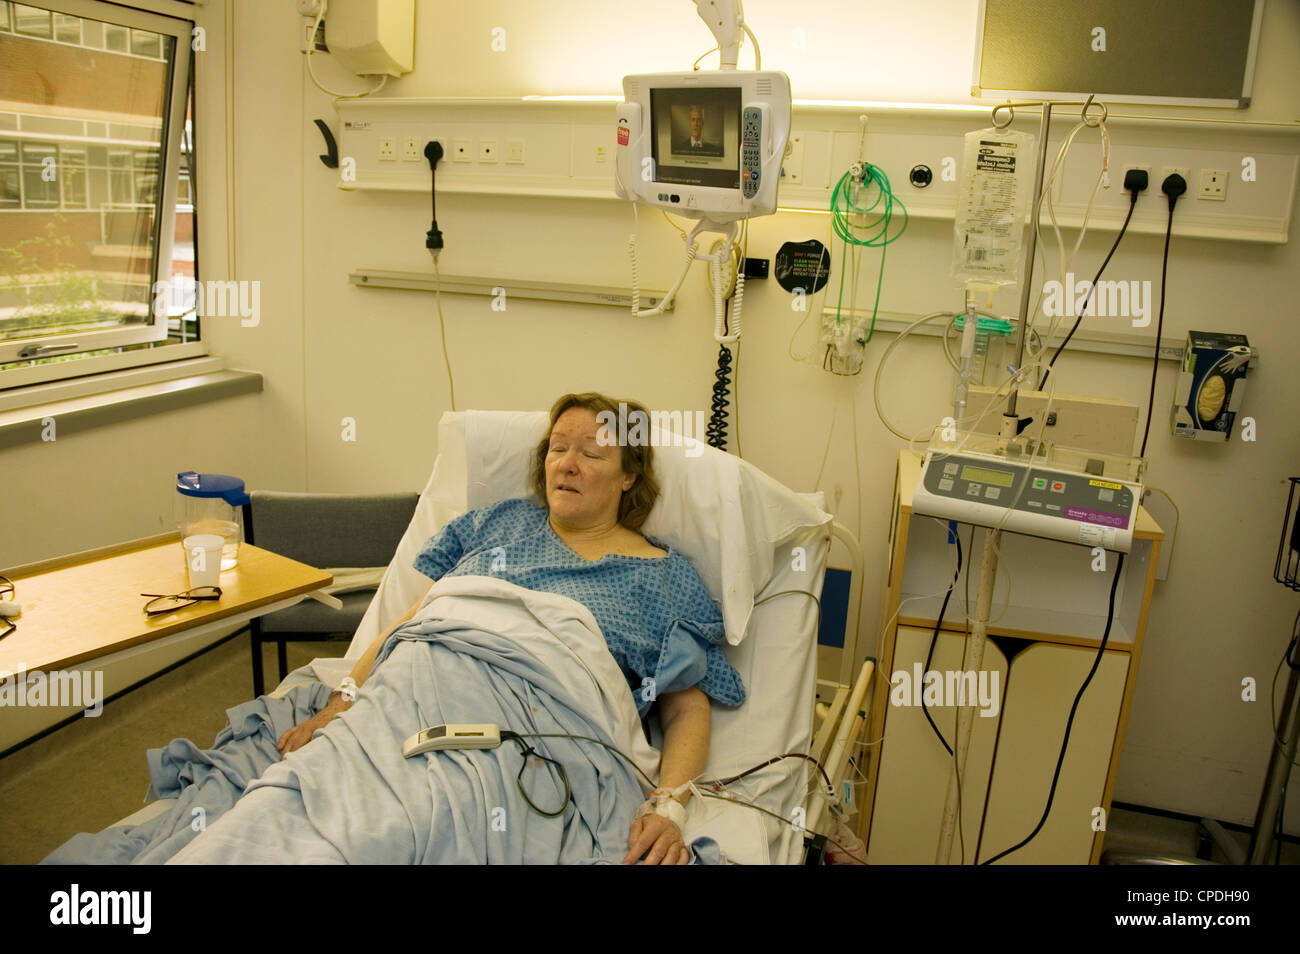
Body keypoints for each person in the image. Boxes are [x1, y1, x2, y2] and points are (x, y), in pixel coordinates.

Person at [277, 393, 745, 865]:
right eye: (558, 448)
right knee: (310, 801)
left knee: (445, 817)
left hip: (534, 727)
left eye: (591, 453)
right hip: (417, 685)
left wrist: (669, 808)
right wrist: (342, 702)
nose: (567, 464)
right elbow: (416, 620)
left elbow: (686, 707)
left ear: (628, 476)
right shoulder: (496, 526)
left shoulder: (662, 576)